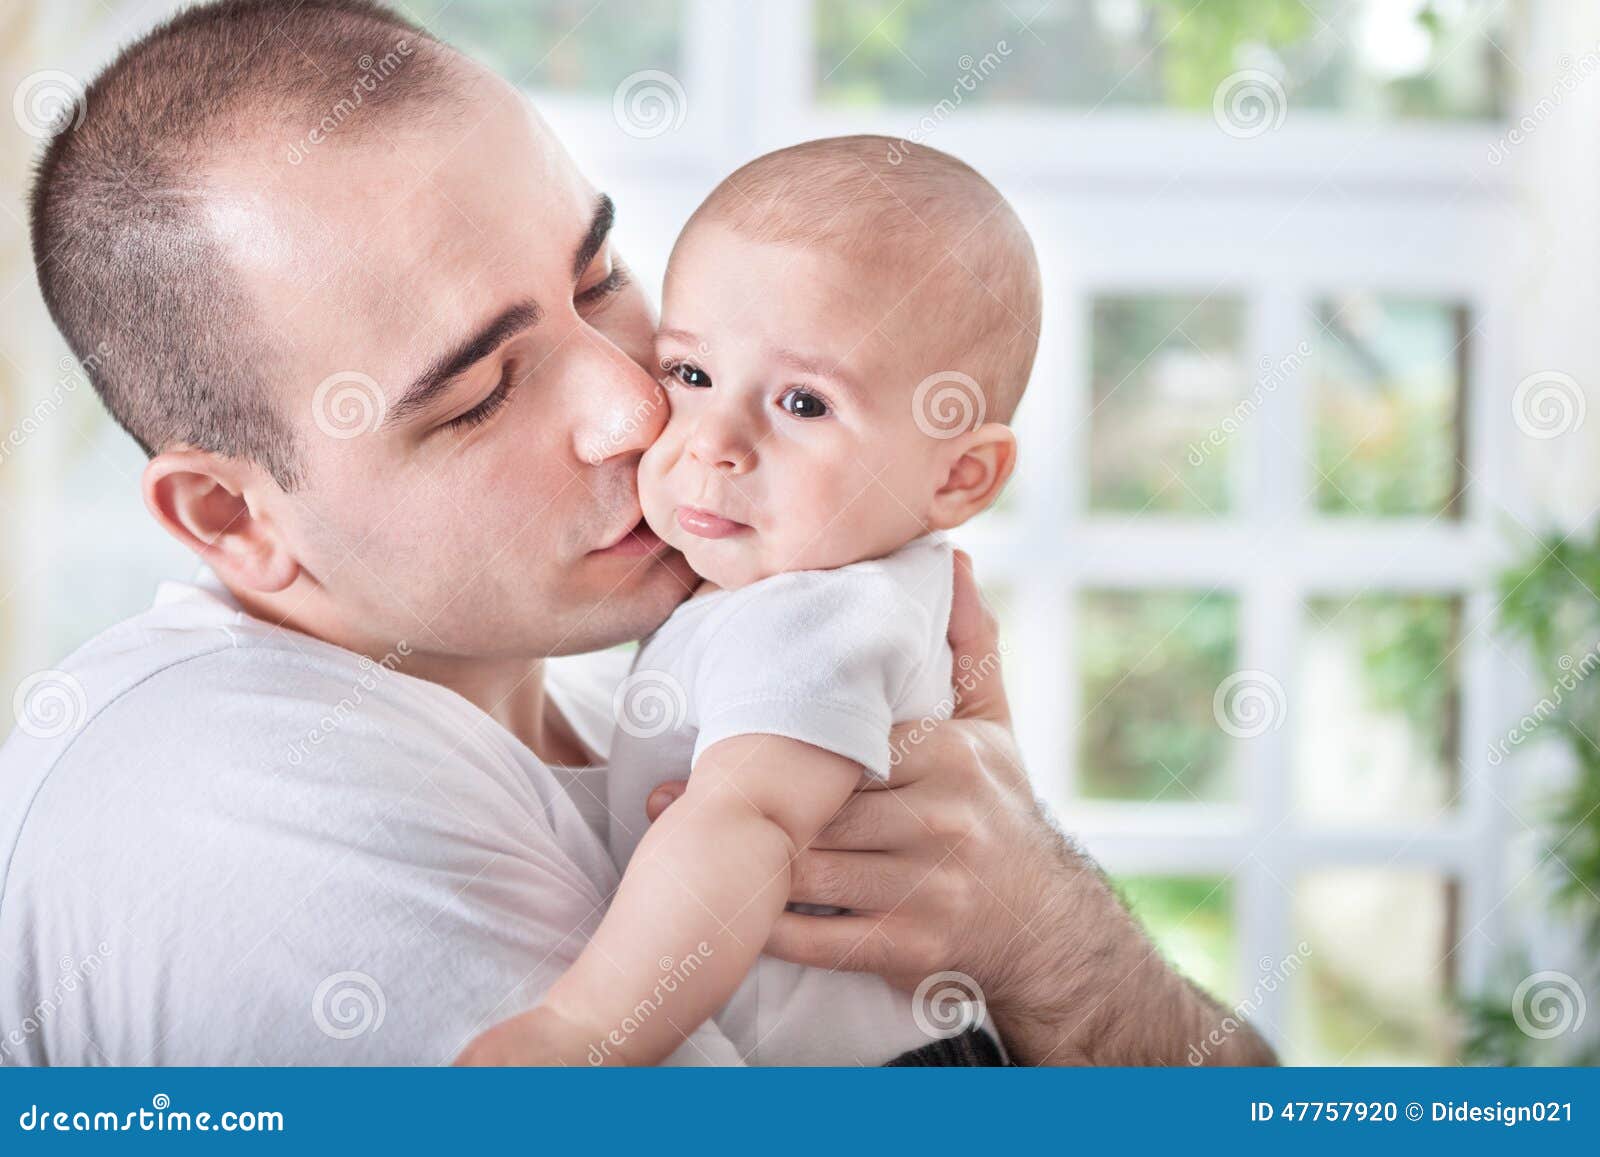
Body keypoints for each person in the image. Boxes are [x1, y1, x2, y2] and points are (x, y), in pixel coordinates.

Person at [0, 0, 1274, 1067]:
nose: (635, 400)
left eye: (600, 278)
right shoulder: (233, 803)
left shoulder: (647, 707)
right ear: (234, 516)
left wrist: (1044, 927)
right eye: (479, 392)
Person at [460, 137, 1038, 1066]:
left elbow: (745, 824)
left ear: (959, 474)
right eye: (690, 375)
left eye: (805, 404)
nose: (715, 442)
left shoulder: (821, 615)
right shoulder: (799, 583)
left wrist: (585, 1030)